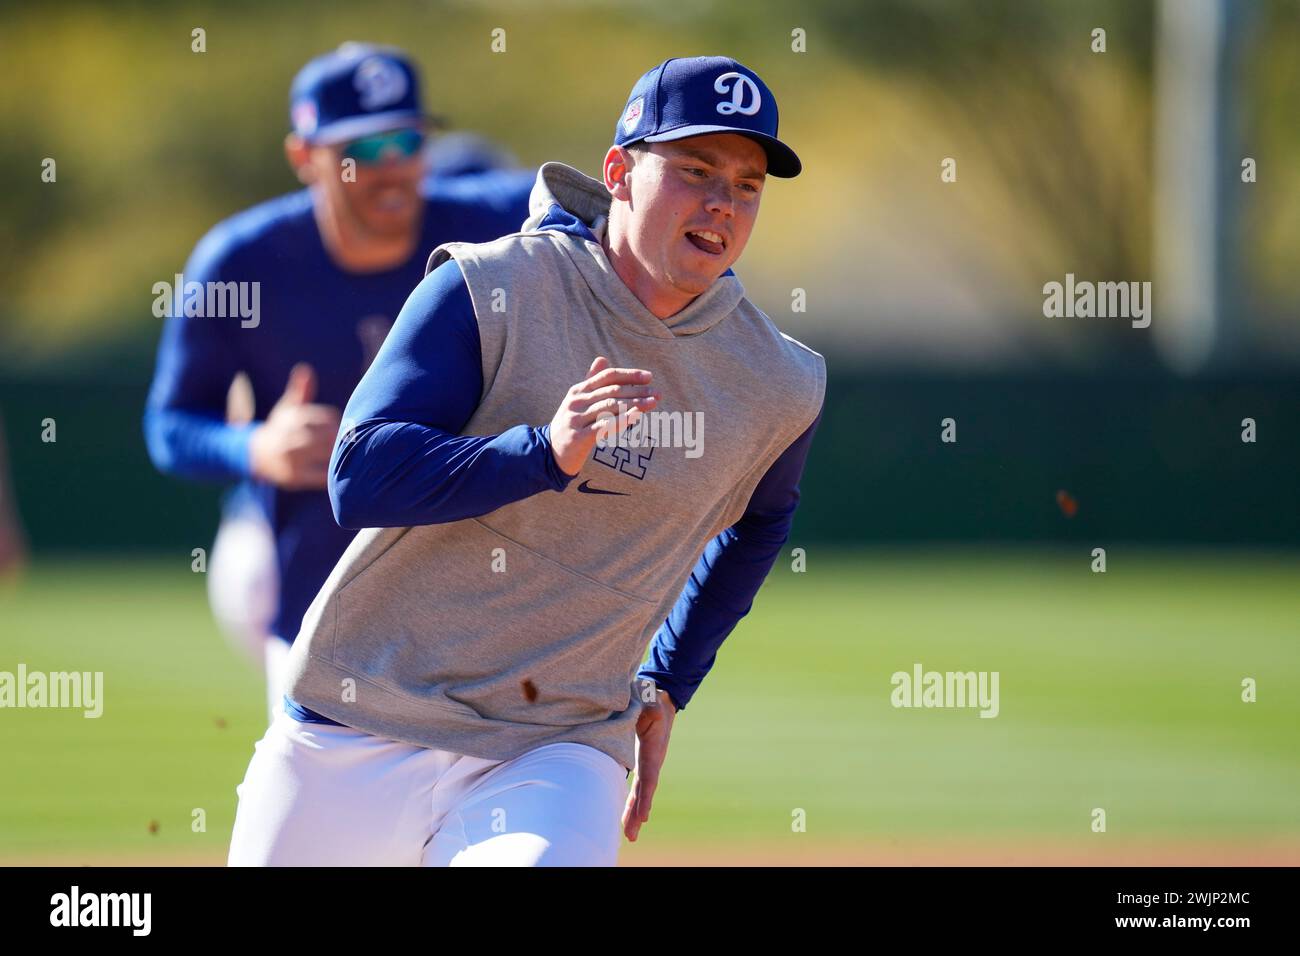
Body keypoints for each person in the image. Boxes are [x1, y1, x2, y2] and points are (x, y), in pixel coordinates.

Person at [228, 56, 825, 867]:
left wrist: (671, 680)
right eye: (694, 169)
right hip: (361, 712)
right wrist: (542, 454)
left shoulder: (776, 380)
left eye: (749, 183)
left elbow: (762, 521)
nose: (722, 200)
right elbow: (359, 472)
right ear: (618, 171)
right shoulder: (492, 285)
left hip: (559, 741)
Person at [143, 44, 533, 719]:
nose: (390, 166)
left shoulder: (492, 221)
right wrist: (257, 448)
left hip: (473, 576)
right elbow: (170, 425)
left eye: (407, 139)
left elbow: (622, 207)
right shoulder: (244, 262)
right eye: (363, 147)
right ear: (304, 156)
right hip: (314, 580)